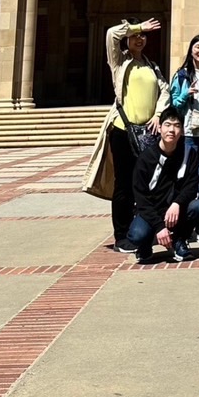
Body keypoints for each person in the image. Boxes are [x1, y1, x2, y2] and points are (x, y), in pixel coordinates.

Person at [81, 16, 168, 251]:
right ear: (128, 38)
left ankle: (143, 228)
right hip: (123, 131)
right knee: (124, 185)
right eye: (134, 36)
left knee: (147, 184)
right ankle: (122, 236)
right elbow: (111, 34)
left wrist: (158, 114)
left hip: (148, 134)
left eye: (142, 36)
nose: (139, 39)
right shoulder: (120, 62)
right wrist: (137, 26)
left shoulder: (152, 66)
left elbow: (165, 91)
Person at [127, 108, 199, 264]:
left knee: (198, 207)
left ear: (182, 130)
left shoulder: (190, 154)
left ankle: (179, 240)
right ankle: (145, 245)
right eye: (167, 125)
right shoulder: (146, 158)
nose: (171, 130)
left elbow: (192, 185)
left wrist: (177, 203)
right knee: (137, 235)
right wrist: (159, 226)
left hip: (176, 210)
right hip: (152, 210)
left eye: (176, 125)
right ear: (160, 128)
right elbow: (141, 198)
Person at [169, 33, 199, 242]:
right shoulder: (182, 76)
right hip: (188, 135)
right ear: (191, 50)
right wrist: (185, 94)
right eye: (197, 47)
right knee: (185, 180)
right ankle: (184, 225)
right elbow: (173, 107)